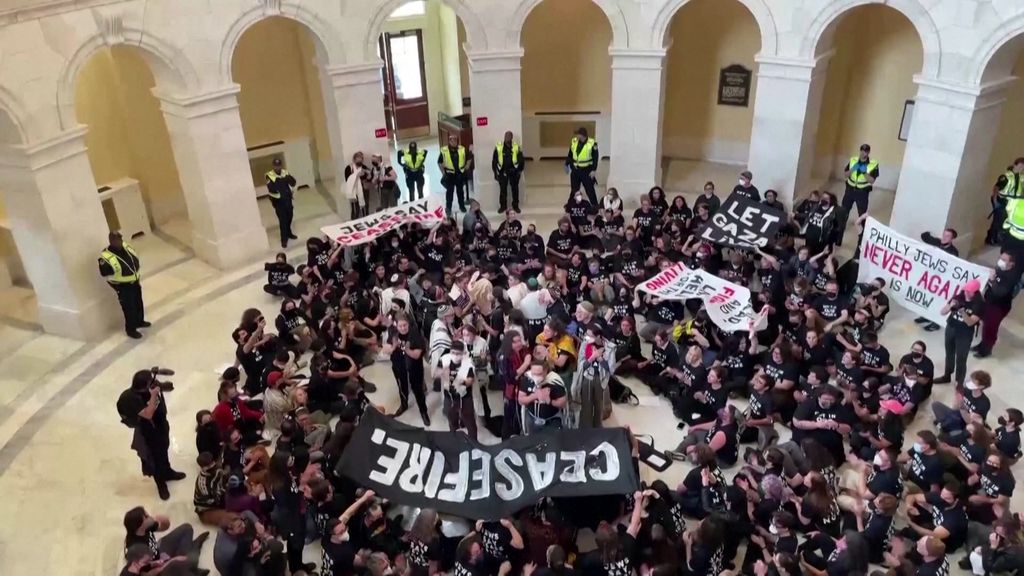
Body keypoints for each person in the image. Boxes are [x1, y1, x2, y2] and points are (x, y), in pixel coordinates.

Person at [117, 370, 185, 500]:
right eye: (151, 383)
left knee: (164, 449)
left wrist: (163, 386)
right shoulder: (129, 399)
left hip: (161, 425)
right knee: (154, 459)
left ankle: (168, 471)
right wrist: (154, 395)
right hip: (148, 432)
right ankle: (160, 483)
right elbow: (148, 414)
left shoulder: (149, 387)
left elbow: (164, 387)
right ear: (144, 385)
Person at [99, 231, 150, 339]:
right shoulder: (106, 257)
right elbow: (105, 274)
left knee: (138, 303)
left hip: (135, 282)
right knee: (129, 308)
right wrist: (117, 287)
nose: (120, 241)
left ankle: (139, 321)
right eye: (117, 239)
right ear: (111, 241)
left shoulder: (126, 247)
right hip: (123, 287)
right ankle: (131, 329)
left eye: (120, 239)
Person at [934, 278, 982, 386]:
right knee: (949, 353)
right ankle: (947, 375)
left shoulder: (979, 304)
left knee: (961, 358)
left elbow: (970, 323)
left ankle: (959, 382)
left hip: (965, 333)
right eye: (965, 290)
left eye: (969, 291)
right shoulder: (958, 297)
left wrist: (963, 312)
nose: (966, 293)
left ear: (975, 292)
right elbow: (942, 312)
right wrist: (951, 306)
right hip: (951, 328)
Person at [974, 251, 1021, 357]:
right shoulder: (999, 269)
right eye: (1001, 258)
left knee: (991, 327)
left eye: (1004, 260)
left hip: (999, 306)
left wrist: (992, 280)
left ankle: (986, 350)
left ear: (1011, 263)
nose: (1000, 261)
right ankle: (982, 344)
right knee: (986, 325)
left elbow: (999, 292)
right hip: (989, 302)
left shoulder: (1012, 277)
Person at [839, 143, 879, 236]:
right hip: (850, 189)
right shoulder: (853, 160)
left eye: (865, 151)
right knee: (844, 210)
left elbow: (872, 180)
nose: (863, 153)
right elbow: (845, 175)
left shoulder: (873, 164)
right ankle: (840, 230)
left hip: (862, 192)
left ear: (868, 152)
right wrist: (853, 168)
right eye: (861, 150)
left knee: (862, 213)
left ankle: (862, 234)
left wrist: (864, 172)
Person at [986, 157, 1024, 245]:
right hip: (1002, 201)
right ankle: (992, 238)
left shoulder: (1020, 177)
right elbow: (996, 188)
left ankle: (997, 238)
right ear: (1015, 165)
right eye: (1020, 166)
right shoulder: (1006, 176)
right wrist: (995, 201)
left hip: (1011, 203)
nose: (1021, 168)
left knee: (1004, 220)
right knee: (998, 220)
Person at [265, 157, 298, 248]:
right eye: (275, 166)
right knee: (283, 220)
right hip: (278, 202)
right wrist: (283, 180)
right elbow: (271, 188)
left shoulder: (285, 172)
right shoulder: (269, 175)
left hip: (287, 199)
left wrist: (287, 179)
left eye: (279, 166)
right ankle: (284, 239)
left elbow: (293, 182)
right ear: (273, 166)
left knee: (289, 216)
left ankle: (289, 233)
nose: (277, 168)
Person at [493, 130, 526, 213]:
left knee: (515, 190)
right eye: (506, 136)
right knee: (503, 190)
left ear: (512, 137)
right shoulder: (499, 146)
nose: (507, 138)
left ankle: (515, 206)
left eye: (509, 136)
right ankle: (503, 206)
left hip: (513, 172)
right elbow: (494, 161)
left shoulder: (516, 147)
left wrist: (519, 171)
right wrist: (495, 173)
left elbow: (521, 160)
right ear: (504, 137)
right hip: (502, 172)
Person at [565, 126, 598, 204]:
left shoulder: (592, 143)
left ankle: (595, 206)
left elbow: (595, 157)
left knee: (589, 189)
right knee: (574, 189)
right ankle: (570, 206)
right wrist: (567, 163)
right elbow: (570, 154)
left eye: (578, 134)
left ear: (582, 135)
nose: (577, 136)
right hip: (575, 170)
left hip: (586, 170)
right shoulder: (574, 141)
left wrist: (594, 170)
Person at [439, 133, 469, 214]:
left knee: (460, 191)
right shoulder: (444, 150)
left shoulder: (462, 149)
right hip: (449, 175)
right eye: (452, 140)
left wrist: (467, 166)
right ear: (449, 141)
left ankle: (462, 206)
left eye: (455, 140)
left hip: (459, 174)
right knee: (449, 192)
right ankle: (448, 208)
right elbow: (440, 162)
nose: (454, 142)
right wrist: (443, 173)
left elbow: (469, 157)